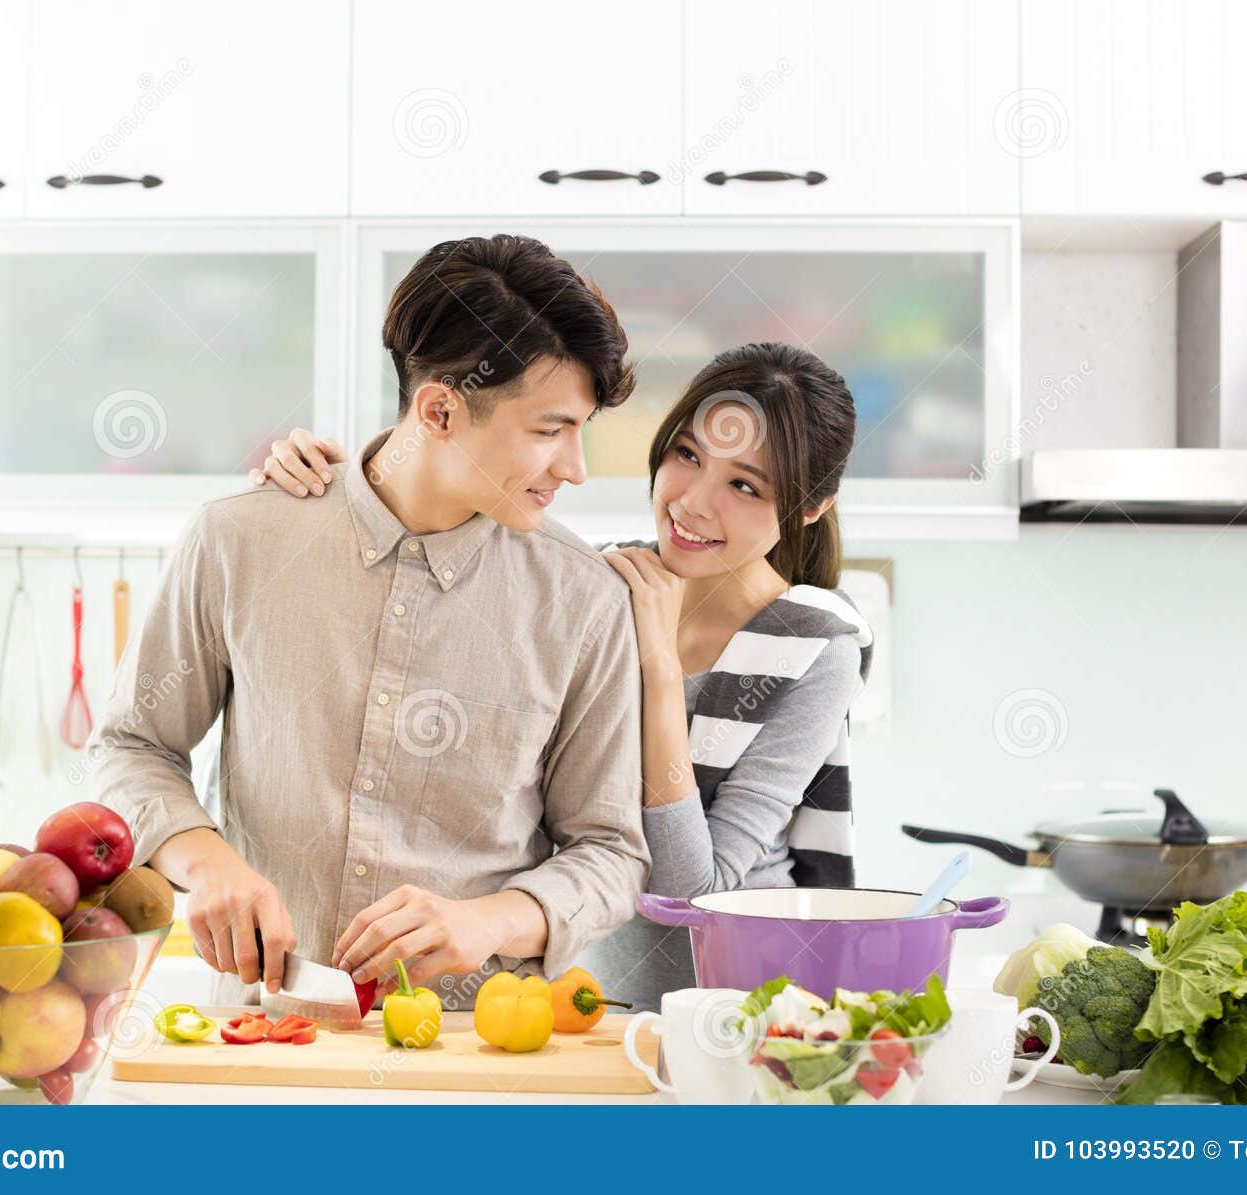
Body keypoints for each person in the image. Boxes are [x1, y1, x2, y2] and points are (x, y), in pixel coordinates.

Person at [93, 234, 651, 1010]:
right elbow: (133, 745)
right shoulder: (240, 538)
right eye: (548, 430)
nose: (575, 467)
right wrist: (208, 862)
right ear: (440, 409)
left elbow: (610, 851)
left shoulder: (584, 600)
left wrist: (487, 920)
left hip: (480, 1044)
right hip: (263, 1030)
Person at [251, 342, 872, 1009]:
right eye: (687, 455)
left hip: (742, 1012)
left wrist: (659, 667)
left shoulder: (813, 647)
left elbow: (693, 894)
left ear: (811, 507)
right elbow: (435, 553)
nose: (693, 502)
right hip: (587, 1007)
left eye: (745, 486)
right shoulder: (592, 584)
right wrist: (342, 490)